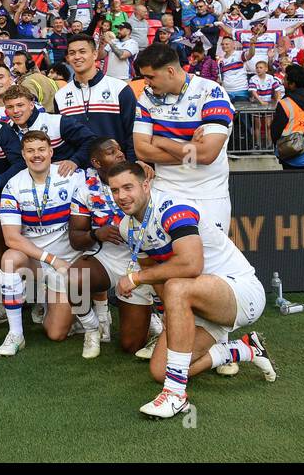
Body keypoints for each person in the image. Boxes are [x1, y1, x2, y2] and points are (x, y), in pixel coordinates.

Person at [107, 161, 275, 419]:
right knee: (160, 370)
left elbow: (191, 264)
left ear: (145, 185)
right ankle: (244, 349)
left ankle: (176, 396)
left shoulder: (173, 208)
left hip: (240, 291)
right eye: (115, 190)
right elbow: (156, 271)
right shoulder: (127, 226)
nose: (121, 196)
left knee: (178, 285)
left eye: (128, 187)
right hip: (196, 300)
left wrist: (137, 278)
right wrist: (168, 314)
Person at [63, 137, 159, 359]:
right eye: (110, 151)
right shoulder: (86, 190)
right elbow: (76, 239)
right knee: (75, 277)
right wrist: (96, 233)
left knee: (131, 346)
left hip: (145, 258)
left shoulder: (143, 178)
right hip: (109, 257)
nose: (119, 153)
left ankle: (153, 316)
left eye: (119, 149)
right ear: (97, 163)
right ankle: (91, 328)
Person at [132, 43, 234, 245]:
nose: (147, 82)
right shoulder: (146, 98)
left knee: (210, 264)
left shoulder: (212, 92)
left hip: (209, 194)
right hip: (164, 191)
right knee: (168, 260)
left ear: (170, 71)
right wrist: (190, 149)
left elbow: (206, 155)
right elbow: (142, 150)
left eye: (150, 77)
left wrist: (162, 142)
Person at [0, 131, 80, 357]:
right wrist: (51, 259)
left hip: (68, 260)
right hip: (37, 260)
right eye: (30, 151)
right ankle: (16, 334)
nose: (36, 155)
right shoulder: (13, 185)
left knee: (55, 333)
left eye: (41, 150)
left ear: (51, 152)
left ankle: (71, 304)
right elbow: (12, 237)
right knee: (10, 259)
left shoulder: (71, 177)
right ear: (23, 154)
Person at [54, 33, 137, 160]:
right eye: (72, 53)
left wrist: (131, 165)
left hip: (116, 169)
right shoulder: (60, 96)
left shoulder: (119, 88)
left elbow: (133, 132)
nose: (77, 57)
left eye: (82, 51)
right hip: (77, 172)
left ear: (94, 54)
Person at [2, 85, 95, 170]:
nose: (15, 111)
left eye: (20, 105)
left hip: (67, 180)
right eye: (10, 107)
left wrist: (75, 161)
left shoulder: (56, 121)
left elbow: (91, 141)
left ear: (31, 105)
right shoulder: (6, 130)